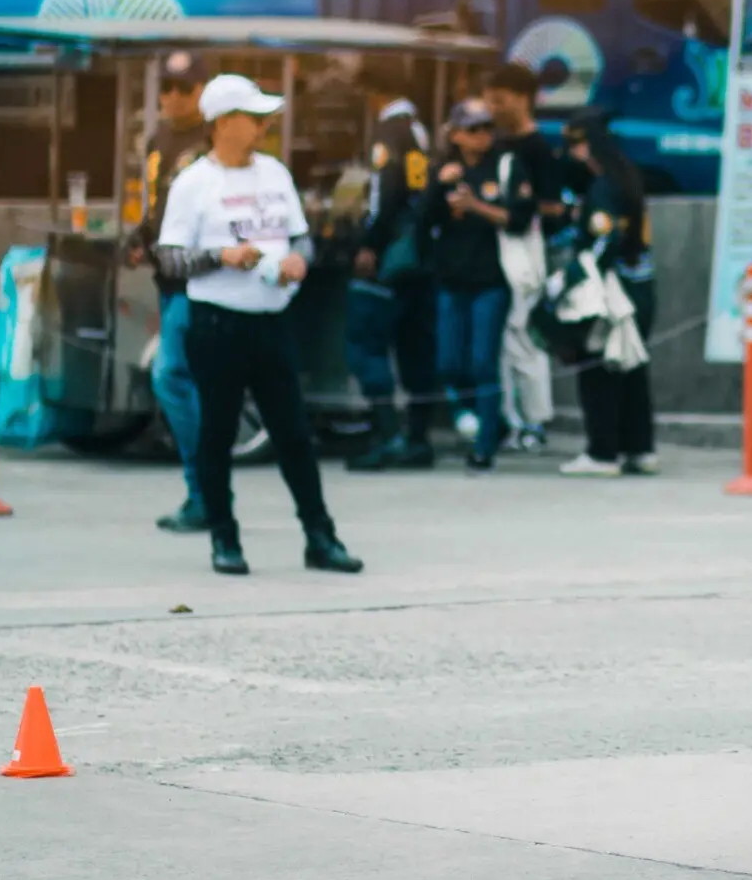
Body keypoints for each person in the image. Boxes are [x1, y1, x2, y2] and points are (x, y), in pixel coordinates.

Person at [153, 75, 363, 576]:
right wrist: (220, 257)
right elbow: (170, 259)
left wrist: (298, 260)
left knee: (293, 432)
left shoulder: (275, 173)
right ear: (224, 123)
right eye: (254, 117)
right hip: (217, 320)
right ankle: (224, 537)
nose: (264, 126)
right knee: (217, 432)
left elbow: (300, 237)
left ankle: (320, 536)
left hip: (271, 317)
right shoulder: (193, 183)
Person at [422, 98, 535, 472]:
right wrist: (437, 186)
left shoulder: (504, 165)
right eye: (473, 129)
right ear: (455, 134)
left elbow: (520, 218)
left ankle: (485, 445)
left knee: (484, 361)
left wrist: (477, 207)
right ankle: (491, 419)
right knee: (449, 362)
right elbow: (423, 221)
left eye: (487, 127)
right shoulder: (445, 168)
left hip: (491, 279)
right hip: (451, 279)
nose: (482, 135)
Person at [129, 50, 212, 533]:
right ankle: (204, 491)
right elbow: (157, 204)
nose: (174, 97)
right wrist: (140, 238)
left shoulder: (214, 139)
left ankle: (206, 489)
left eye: (185, 88)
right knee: (183, 379)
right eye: (167, 88)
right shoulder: (158, 139)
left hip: (200, 278)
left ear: (202, 90)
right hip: (167, 275)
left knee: (170, 375)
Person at [344, 69, 438, 472]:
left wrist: (370, 242)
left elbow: (385, 191)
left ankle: (388, 435)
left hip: (391, 258)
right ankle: (418, 439)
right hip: (421, 257)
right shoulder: (420, 130)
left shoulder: (388, 131)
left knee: (365, 343)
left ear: (374, 94)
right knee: (416, 348)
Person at [557, 113, 661, 477]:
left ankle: (602, 453)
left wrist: (577, 278)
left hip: (612, 293)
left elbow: (604, 240)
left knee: (598, 372)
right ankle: (640, 449)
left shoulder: (603, 186)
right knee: (632, 368)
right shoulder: (628, 177)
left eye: (574, 144)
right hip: (641, 288)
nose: (572, 153)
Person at [484, 63, 557, 453]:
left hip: (523, 252)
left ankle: (535, 420)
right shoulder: (494, 143)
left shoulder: (537, 148)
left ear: (523, 99)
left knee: (521, 336)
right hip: (490, 254)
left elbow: (551, 206)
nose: (493, 109)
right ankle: (507, 419)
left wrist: (515, 209)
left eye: (500, 100)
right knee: (498, 343)